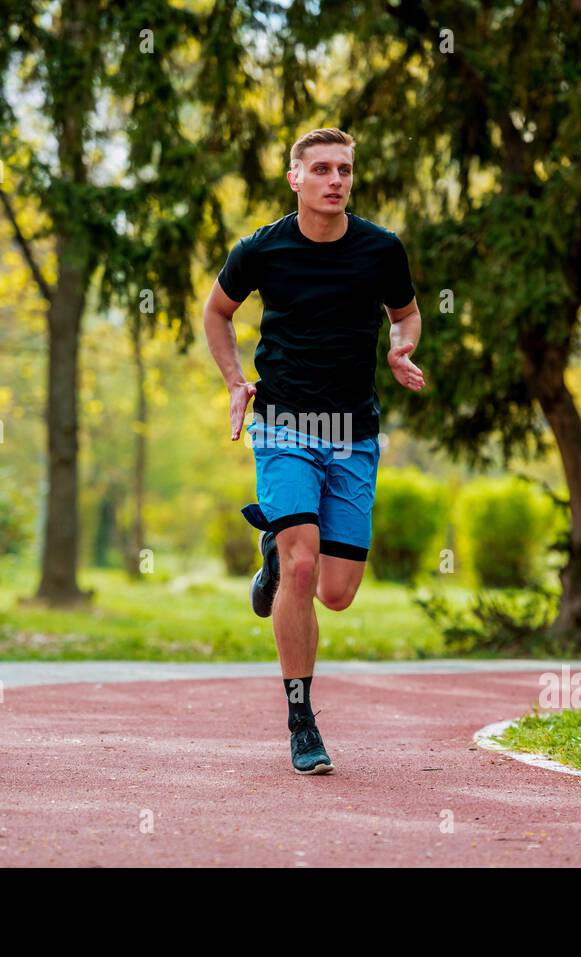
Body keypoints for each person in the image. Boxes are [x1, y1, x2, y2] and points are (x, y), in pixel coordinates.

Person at [201, 128, 425, 774]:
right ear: (295, 178)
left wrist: (400, 344)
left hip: (352, 432)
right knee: (303, 569)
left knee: (337, 591)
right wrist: (235, 381)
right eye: (322, 168)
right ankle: (301, 718)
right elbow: (217, 313)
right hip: (284, 425)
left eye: (345, 170)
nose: (336, 180)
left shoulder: (381, 249)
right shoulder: (263, 250)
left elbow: (405, 312)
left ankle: (272, 551)